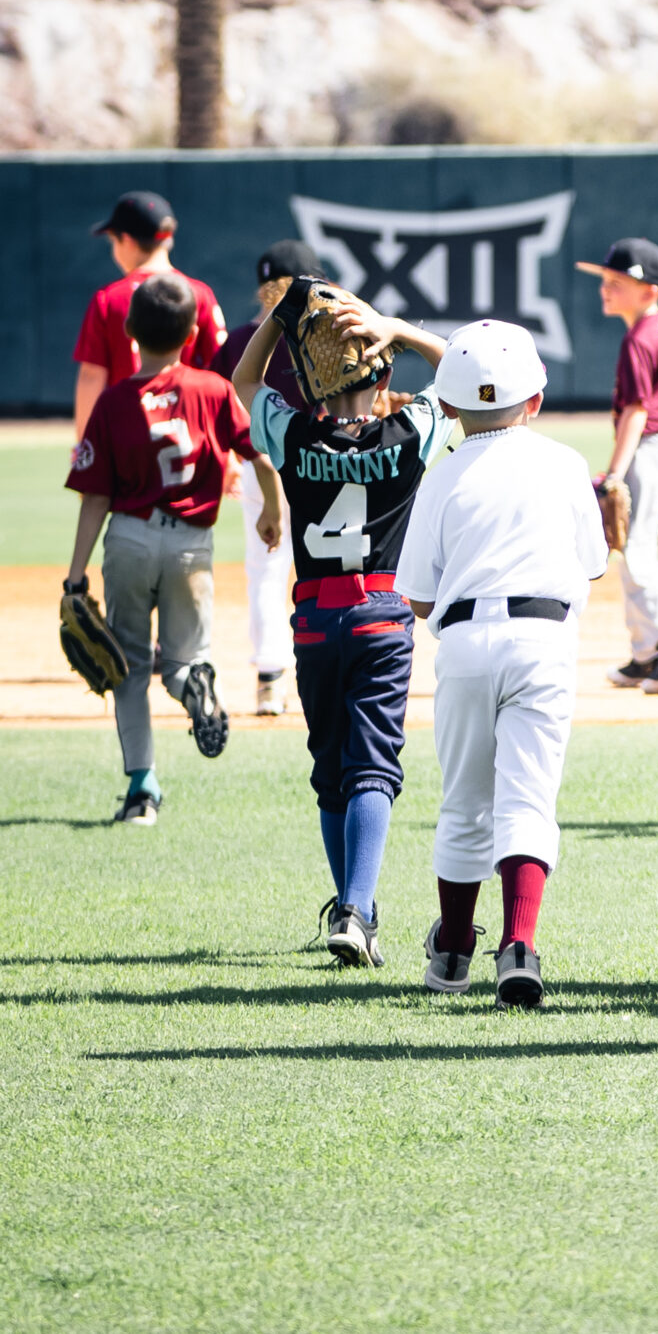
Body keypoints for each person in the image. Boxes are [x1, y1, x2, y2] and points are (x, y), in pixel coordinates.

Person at [232, 277, 451, 969]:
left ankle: (350, 909)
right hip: (381, 617)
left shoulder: (295, 434)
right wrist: (397, 326)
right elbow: (464, 369)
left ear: (310, 383)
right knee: (373, 769)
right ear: (383, 374)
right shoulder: (409, 430)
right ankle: (357, 907)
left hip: (314, 622)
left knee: (330, 770)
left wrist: (278, 317)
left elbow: (242, 381)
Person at [396, 322, 609, 1009]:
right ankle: (519, 944)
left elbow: (420, 596)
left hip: (461, 642)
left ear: (449, 409)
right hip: (543, 639)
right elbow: (593, 565)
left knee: (464, 802)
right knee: (528, 798)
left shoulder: (442, 473)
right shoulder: (566, 463)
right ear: (537, 399)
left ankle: (453, 948)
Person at [65, 273, 280, 825]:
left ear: (130, 330)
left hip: (132, 538)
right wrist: (272, 509)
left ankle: (142, 790)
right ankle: (195, 685)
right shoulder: (211, 389)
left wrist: (74, 576)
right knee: (185, 659)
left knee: (129, 668)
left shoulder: (115, 401)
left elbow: (94, 497)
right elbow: (257, 453)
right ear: (192, 334)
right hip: (191, 545)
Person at [210, 239, 323, 718]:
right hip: (322, 459)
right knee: (324, 566)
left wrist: (229, 459)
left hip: (261, 463)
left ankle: (270, 681)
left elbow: (219, 406)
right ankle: (324, 669)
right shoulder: (323, 334)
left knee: (265, 569)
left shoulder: (238, 341)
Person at [579, 238, 658, 692]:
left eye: (617, 282)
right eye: (605, 280)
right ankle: (645, 654)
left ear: (649, 291)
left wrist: (616, 472)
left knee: (637, 554)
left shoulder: (640, 337)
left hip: (652, 449)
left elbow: (637, 411)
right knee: (642, 552)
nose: (606, 289)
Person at [72, 192, 227, 441]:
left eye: (113, 241)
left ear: (128, 240)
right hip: (190, 439)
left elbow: (91, 376)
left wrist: (84, 446)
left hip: (127, 439)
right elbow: (222, 370)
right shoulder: (199, 294)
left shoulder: (109, 298)